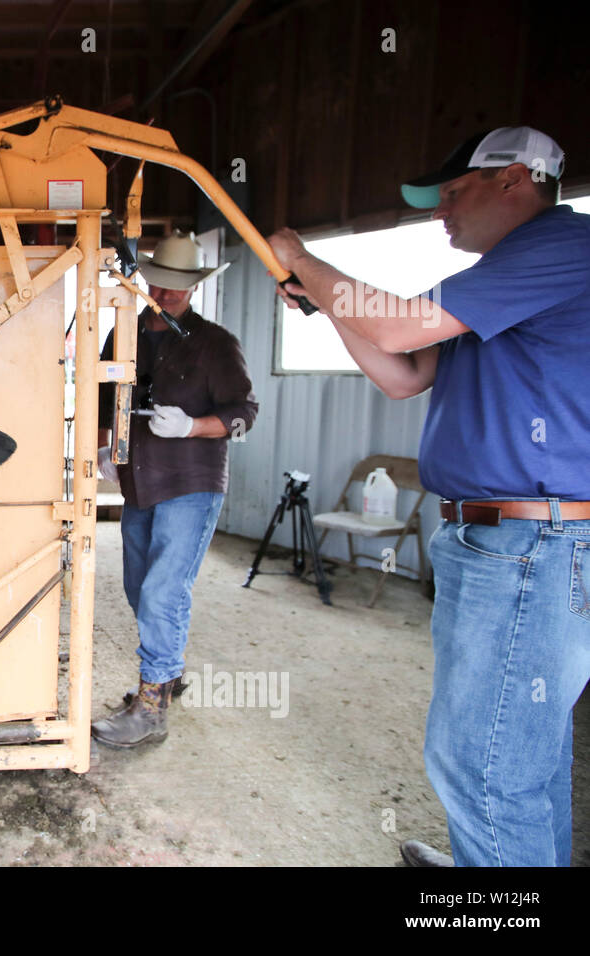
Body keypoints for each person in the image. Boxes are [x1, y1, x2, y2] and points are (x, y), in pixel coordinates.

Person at [267, 126, 590, 867]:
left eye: (453, 193)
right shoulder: (502, 284)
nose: (442, 213)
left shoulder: (557, 247)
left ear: (515, 180)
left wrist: (305, 261)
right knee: (517, 755)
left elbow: (396, 323)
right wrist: (327, 303)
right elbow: (402, 372)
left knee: (483, 764)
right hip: (508, 543)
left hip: (529, 546)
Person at [93, 232, 258, 748]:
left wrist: (193, 426)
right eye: (159, 284)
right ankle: (165, 677)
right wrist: (102, 449)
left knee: (164, 590)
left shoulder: (215, 343)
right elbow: (102, 397)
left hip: (191, 481)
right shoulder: (123, 335)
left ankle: (151, 707)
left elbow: (243, 416)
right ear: (145, 279)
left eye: (178, 289)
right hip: (139, 480)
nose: (166, 296)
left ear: (193, 288)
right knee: (138, 587)